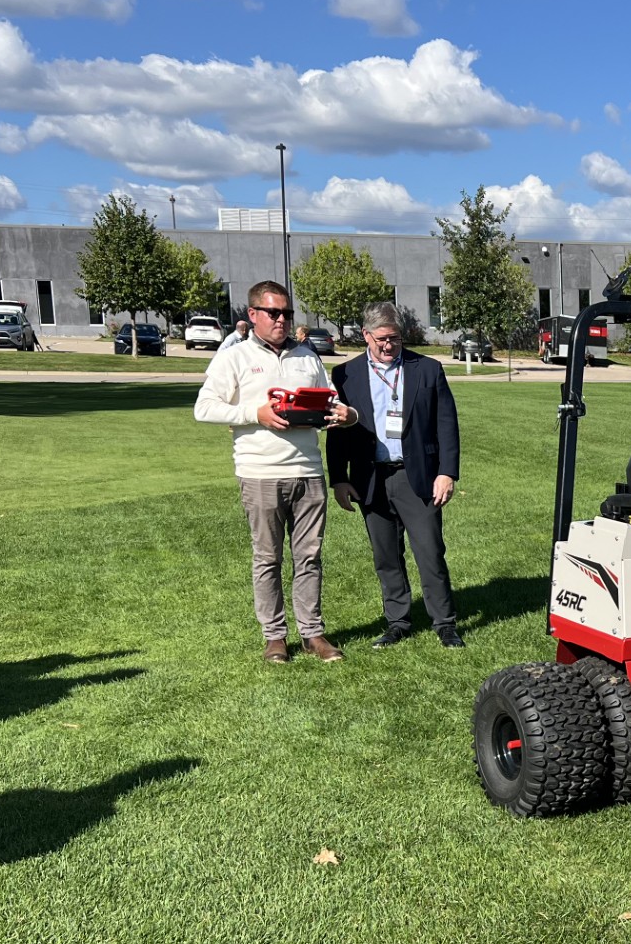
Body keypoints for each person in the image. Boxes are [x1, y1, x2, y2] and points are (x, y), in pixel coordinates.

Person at [194, 280, 356, 663]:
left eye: (287, 313)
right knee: (267, 558)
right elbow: (204, 408)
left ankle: (312, 634)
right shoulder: (233, 356)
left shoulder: (307, 357)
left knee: (310, 557)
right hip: (260, 472)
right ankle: (275, 637)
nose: (281, 320)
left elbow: (329, 403)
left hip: (308, 472)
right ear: (252, 315)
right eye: (273, 313)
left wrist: (347, 416)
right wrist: (256, 413)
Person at [327, 300, 463, 648]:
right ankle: (398, 621)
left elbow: (446, 424)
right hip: (370, 479)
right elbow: (337, 429)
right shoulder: (345, 374)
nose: (389, 346)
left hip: (417, 476)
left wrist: (446, 473)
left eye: (396, 339)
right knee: (386, 555)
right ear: (366, 336)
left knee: (429, 551)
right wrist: (339, 478)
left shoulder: (427, 369)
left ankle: (444, 623)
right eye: (383, 339)